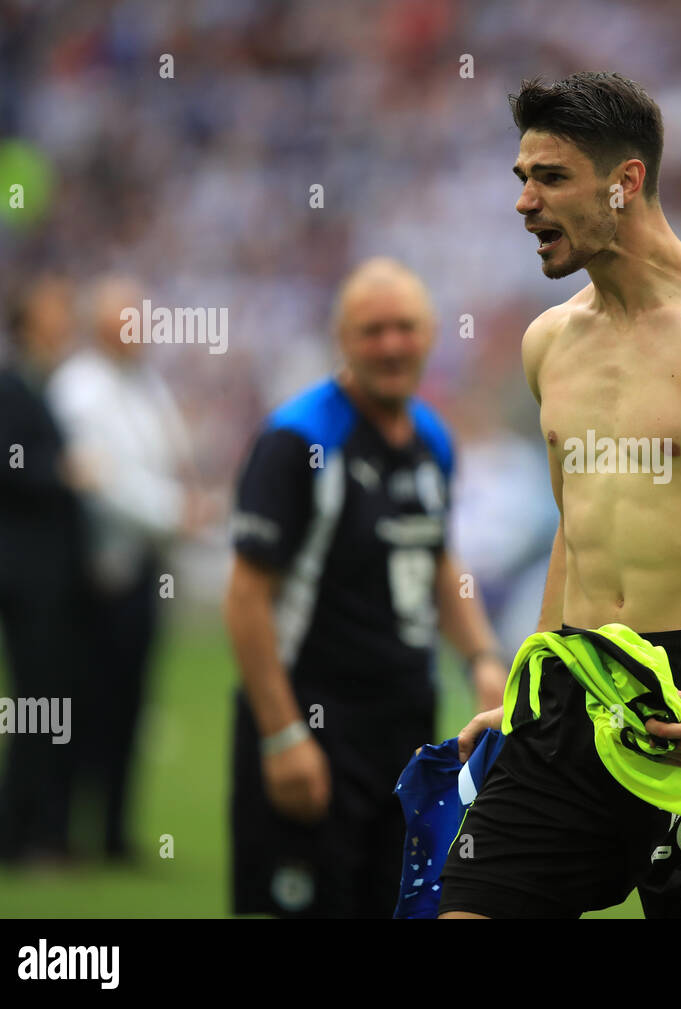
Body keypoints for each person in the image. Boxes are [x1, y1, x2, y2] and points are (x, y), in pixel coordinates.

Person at [438, 73, 681, 919]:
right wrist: (522, 693)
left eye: (551, 179)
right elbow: (576, 534)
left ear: (627, 182)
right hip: (573, 685)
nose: (525, 203)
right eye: (520, 179)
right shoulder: (548, 344)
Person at [224, 257, 508, 917]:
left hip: (405, 731)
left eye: (405, 327)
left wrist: (482, 657)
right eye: (371, 330)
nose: (391, 345)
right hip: (310, 725)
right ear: (342, 340)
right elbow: (245, 595)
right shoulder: (299, 441)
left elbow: (437, 559)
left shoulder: (432, 438)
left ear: (431, 334)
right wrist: (281, 734)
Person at [48, 275, 207, 861]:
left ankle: (113, 832)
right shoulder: (80, 388)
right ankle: (66, 831)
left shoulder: (143, 384)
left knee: (128, 704)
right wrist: (175, 513)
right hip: (96, 572)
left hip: (141, 570)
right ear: (103, 324)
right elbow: (100, 482)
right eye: (129, 317)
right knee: (85, 705)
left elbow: (168, 454)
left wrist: (182, 503)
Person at [0, 276, 84, 864]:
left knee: (38, 705)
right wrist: (60, 473)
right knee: (37, 707)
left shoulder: (38, 382)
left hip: (38, 576)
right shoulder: (13, 382)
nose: (65, 313)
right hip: (23, 577)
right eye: (53, 305)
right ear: (28, 320)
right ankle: (18, 838)